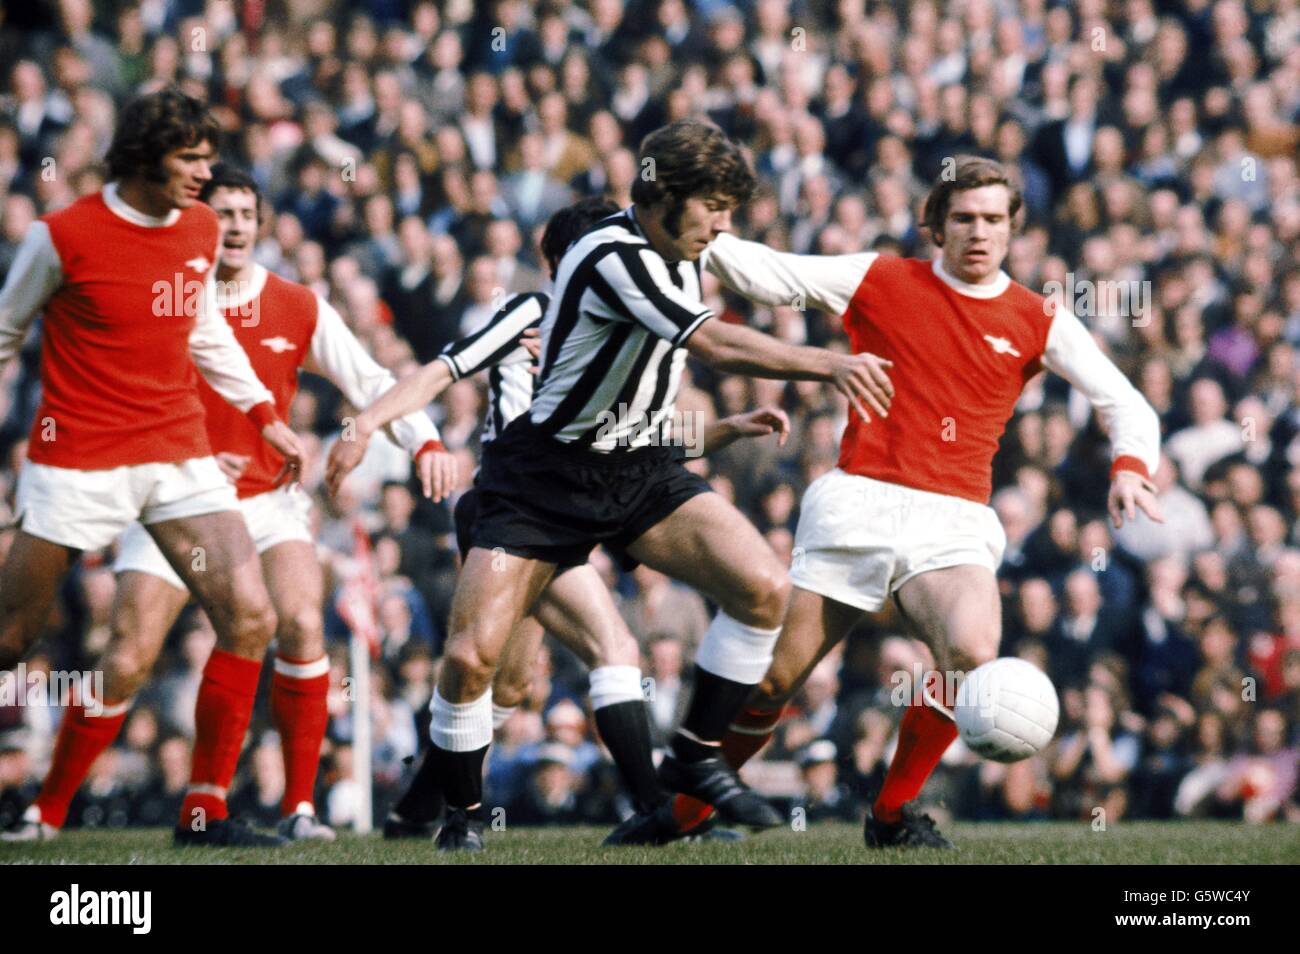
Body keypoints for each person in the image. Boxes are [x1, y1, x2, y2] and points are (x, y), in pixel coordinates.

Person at [350, 118, 893, 851]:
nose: (723, 225)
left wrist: (892, 282)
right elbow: (714, 341)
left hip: (636, 471)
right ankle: (460, 816)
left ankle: (692, 757)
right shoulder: (610, 254)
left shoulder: (690, 248)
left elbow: (765, 289)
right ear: (664, 196)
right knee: (477, 662)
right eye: (713, 206)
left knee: (763, 587)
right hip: (541, 480)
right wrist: (828, 363)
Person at [649, 154, 1164, 848]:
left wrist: (1131, 468)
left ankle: (890, 816)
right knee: (773, 684)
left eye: (993, 220)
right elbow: (772, 273)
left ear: (1014, 229)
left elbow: (1124, 402)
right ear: (935, 226)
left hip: (953, 520)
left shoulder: (1037, 317)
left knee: (973, 653)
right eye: (963, 218)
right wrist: (702, 225)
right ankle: (683, 818)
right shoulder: (882, 276)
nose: (978, 232)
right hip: (858, 503)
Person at [1, 163, 449, 843]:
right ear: (199, 224)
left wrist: (425, 443)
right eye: (223, 213)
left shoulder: (297, 304)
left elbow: (372, 379)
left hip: (268, 504)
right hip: (170, 503)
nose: (235, 226)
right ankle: (48, 811)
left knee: (300, 621)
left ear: (260, 224)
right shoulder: (164, 300)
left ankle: (295, 809)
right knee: (125, 658)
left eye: (246, 214)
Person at [0, 89, 305, 848]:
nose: (205, 174)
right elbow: (4, 331)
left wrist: (266, 415)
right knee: (11, 637)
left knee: (252, 615)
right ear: (143, 158)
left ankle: (205, 811)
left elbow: (203, 329)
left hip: (177, 453)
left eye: (209, 157)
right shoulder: (62, 235)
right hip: (76, 463)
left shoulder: (200, 227)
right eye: (189, 158)